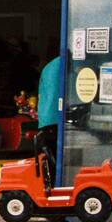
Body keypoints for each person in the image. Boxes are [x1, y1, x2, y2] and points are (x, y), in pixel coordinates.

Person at [35, 54, 62, 190]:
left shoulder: (49, 67)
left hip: (46, 119)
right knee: (57, 157)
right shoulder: (67, 65)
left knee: (49, 157)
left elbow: (41, 95)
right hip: (57, 119)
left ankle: (49, 187)